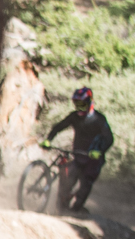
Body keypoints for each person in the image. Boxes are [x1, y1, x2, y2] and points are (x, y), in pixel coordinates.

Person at [41, 85, 114, 213]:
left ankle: (76, 210)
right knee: (66, 181)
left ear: (90, 103)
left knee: (85, 184)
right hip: (78, 156)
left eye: (82, 104)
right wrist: (49, 139)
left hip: (93, 160)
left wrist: (99, 151)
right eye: (76, 104)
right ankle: (61, 210)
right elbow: (59, 126)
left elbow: (109, 138)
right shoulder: (74, 117)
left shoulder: (99, 119)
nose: (79, 108)